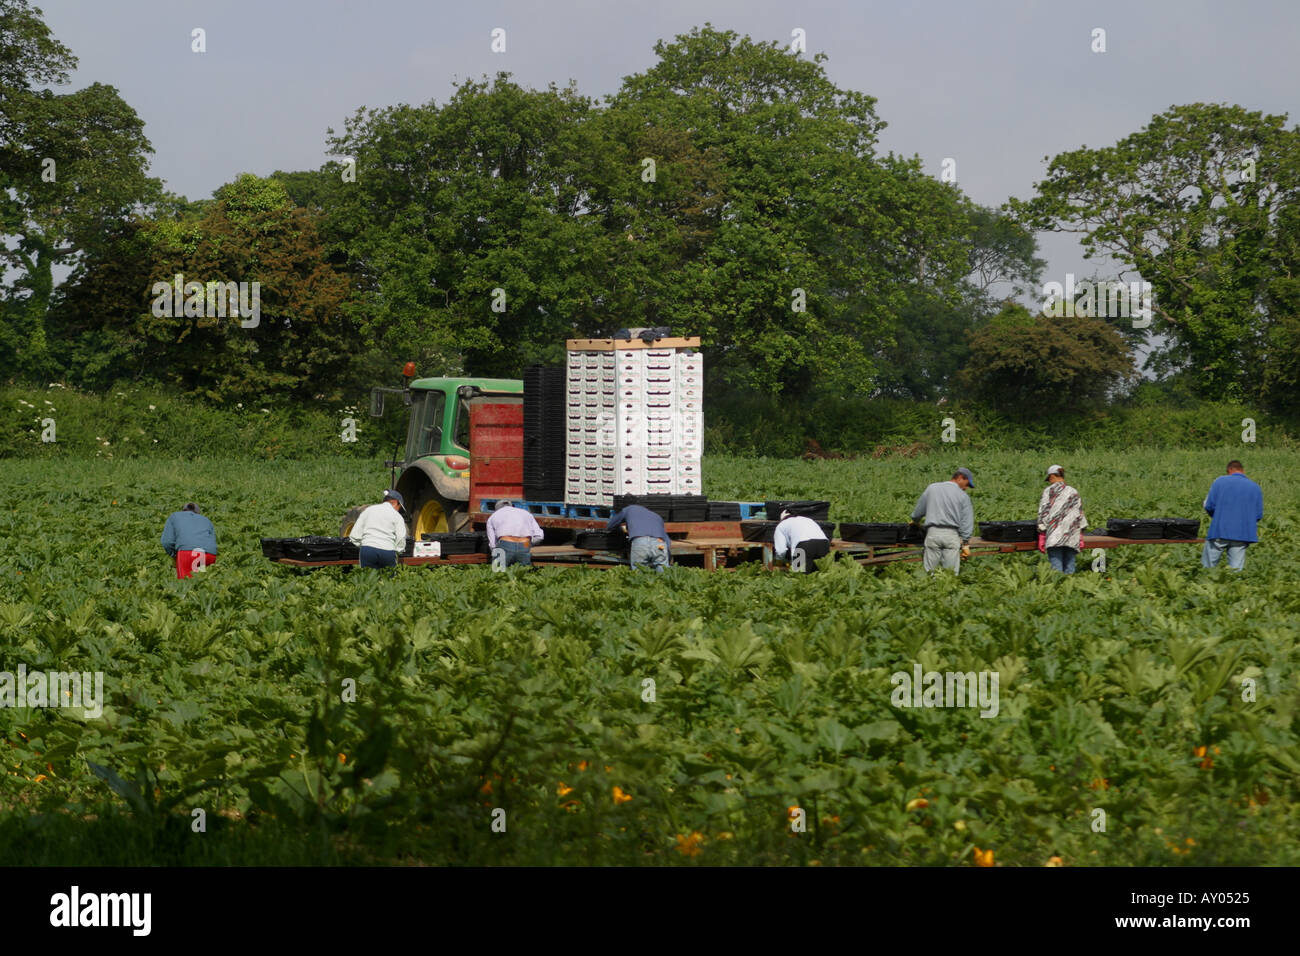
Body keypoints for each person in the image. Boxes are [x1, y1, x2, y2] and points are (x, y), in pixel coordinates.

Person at [910, 467, 975, 574]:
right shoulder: (963, 496)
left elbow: (918, 511)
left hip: (932, 534)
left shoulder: (932, 488)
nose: (966, 488)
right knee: (950, 575)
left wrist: (915, 521)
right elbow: (966, 522)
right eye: (967, 484)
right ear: (960, 477)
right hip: (951, 536)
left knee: (930, 574)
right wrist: (965, 542)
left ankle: (930, 589)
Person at [1201, 460, 1263, 571]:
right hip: (1242, 534)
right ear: (1242, 471)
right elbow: (1258, 515)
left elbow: (1209, 505)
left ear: (1229, 470)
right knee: (1236, 572)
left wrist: (1217, 517)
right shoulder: (1255, 487)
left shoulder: (1219, 482)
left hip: (1219, 531)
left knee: (1208, 569)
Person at [1037, 465, 1087, 574]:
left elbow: (1043, 513)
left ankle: (1058, 588)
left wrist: (1042, 533)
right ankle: (1069, 587)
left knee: (1056, 568)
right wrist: (1081, 534)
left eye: (1049, 479)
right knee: (1070, 566)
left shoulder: (1049, 492)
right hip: (1072, 535)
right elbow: (1080, 514)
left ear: (1052, 476)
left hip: (1055, 535)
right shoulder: (1073, 491)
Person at [348, 490, 407, 569]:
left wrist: (364, 545)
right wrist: (398, 550)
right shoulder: (397, 516)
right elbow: (401, 538)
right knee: (388, 580)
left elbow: (354, 535)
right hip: (387, 551)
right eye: (399, 507)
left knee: (368, 578)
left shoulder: (368, 510)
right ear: (395, 502)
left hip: (367, 550)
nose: (398, 510)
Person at [606, 503, 670, 572]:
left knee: (638, 574)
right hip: (659, 542)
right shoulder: (657, 516)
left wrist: (620, 530)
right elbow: (666, 539)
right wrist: (667, 554)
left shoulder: (629, 509)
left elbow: (611, 525)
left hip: (640, 541)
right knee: (663, 570)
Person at [161, 502, 218, 579]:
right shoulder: (206, 520)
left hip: (187, 554)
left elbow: (167, 542)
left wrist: (174, 555)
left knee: (186, 583)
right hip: (209, 555)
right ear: (197, 512)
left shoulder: (175, 516)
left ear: (183, 510)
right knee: (203, 582)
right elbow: (212, 540)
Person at [486, 499, 544, 568]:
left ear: (496, 509)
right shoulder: (526, 513)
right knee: (523, 575)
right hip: (524, 544)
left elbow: (492, 544)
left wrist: (495, 554)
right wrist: (527, 544)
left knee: (499, 573)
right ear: (512, 506)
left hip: (505, 543)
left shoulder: (493, 516)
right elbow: (540, 536)